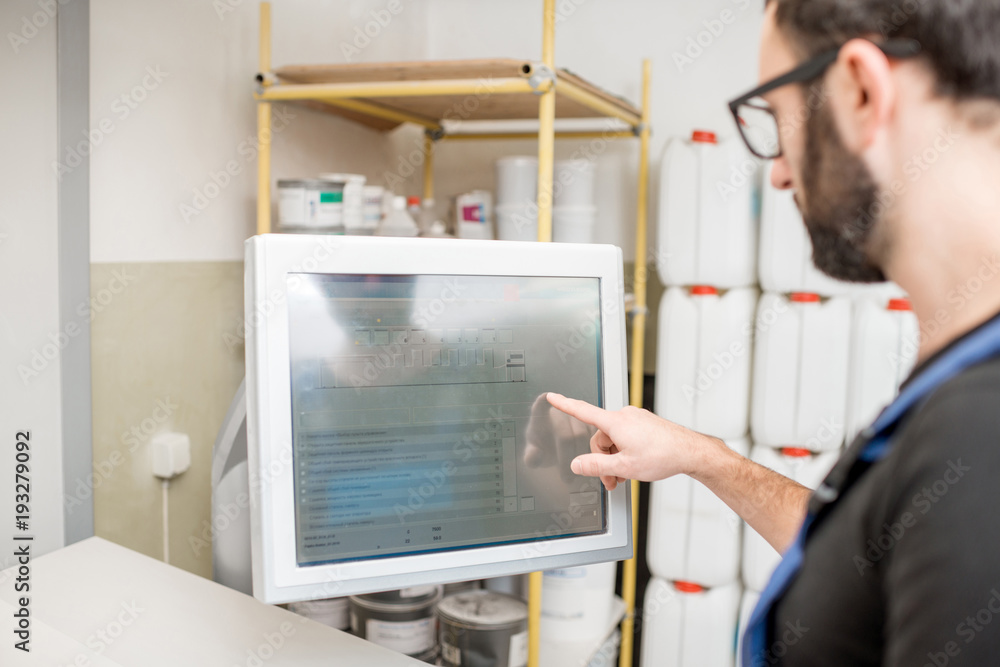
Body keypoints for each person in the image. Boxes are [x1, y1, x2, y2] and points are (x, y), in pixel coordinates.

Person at [547, 1, 1000, 665]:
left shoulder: (979, 427)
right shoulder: (961, 376)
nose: (780, 171)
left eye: (776, 118)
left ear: (863, 91)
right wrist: (701, 455)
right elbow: (868, 556)